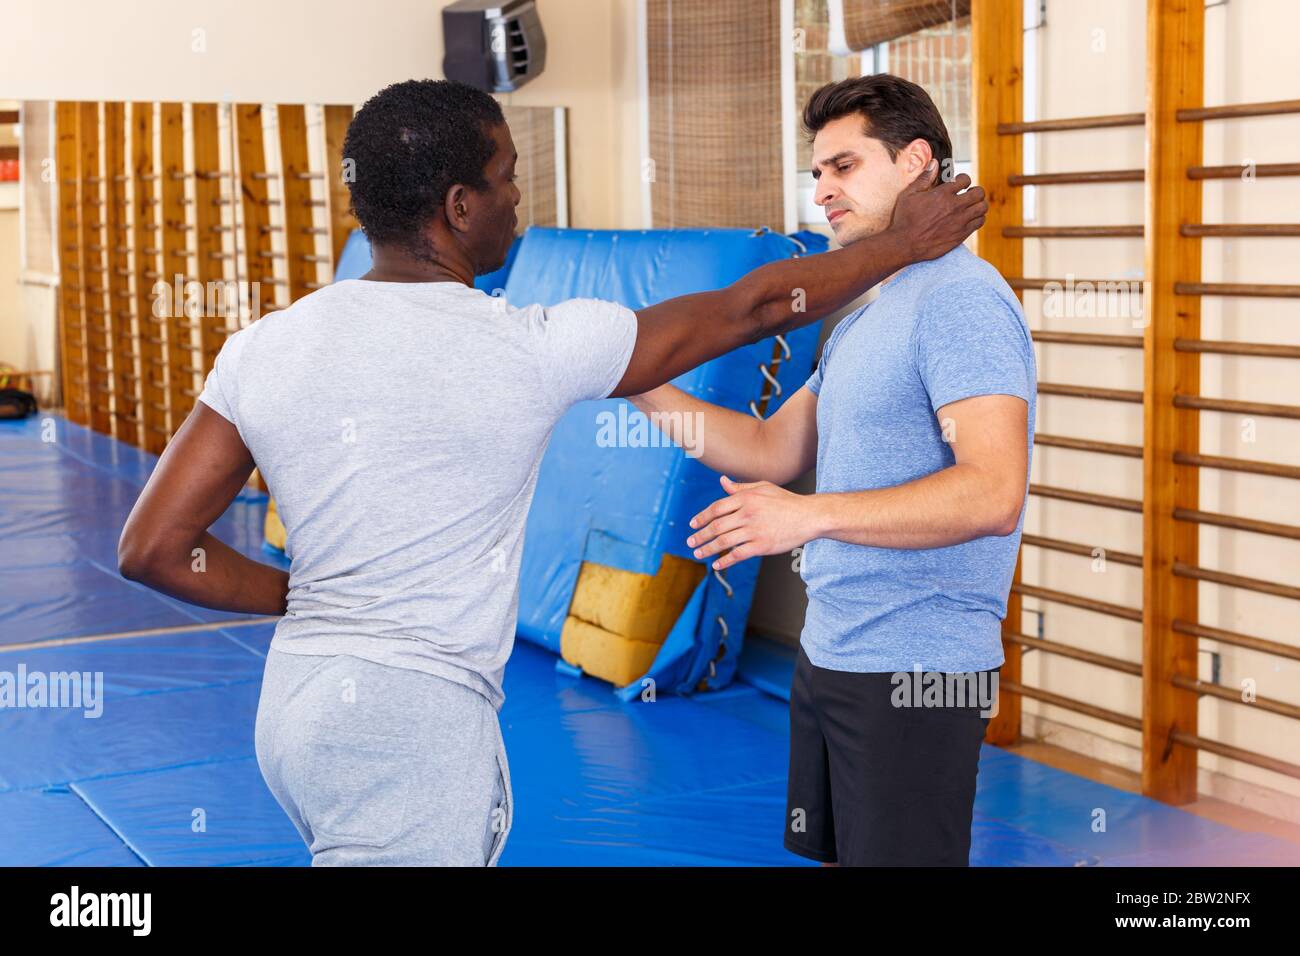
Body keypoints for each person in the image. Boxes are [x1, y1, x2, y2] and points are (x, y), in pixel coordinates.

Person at [117, 78, 986, 866]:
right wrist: (902, 244)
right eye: (506, 177)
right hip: (408, 724)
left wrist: (305, 602)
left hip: (295, 704)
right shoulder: (517, 345)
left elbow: (153, 547)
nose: (518, 197)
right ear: (459, 206)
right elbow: (754, 306)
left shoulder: (267, 344)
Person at [630, 74, 1036, 866]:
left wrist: (806, 516)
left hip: (916, 669)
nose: (822, 191)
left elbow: (993, 490)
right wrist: (635, 382)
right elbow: (768, 450)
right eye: (817, 172)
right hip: (836, 653)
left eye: (843, 167)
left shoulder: (960, 302)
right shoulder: (870, 308)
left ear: (917, 161)